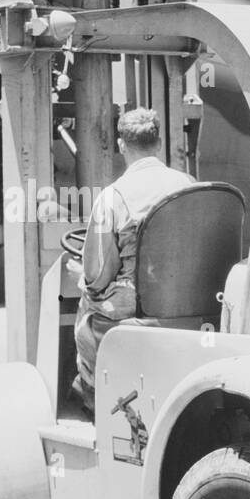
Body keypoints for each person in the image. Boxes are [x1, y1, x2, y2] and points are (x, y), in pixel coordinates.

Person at [72, 108, 192, 412]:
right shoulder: (190, 184)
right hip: (188, 299)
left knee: (87, 303)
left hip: (136, 301)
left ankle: (91, 391)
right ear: (160, 143)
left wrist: (84, 281)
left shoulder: (113, 197)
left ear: (121, 145)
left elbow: (98, 273)